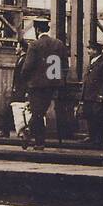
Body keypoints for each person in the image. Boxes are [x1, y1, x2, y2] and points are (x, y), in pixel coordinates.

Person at [19, 19, 66, 150]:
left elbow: (27, 67)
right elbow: (64, 65)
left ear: (37, 30)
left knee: (37, 113)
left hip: (37, 85)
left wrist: (25, 81)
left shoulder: (34, 45)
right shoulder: (59, 44)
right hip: (53, 85)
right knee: (40, 112)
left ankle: (36, 139)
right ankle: (30, 133)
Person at [80, 40, 103, 146]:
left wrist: (102, 94)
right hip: (88, 95)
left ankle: (99, 138)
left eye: (90, 49)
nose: (89, 51)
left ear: (96, 50)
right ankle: (92, 136)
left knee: (97, 117)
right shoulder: (92, 62)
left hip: (97, 95)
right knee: (90, 116)